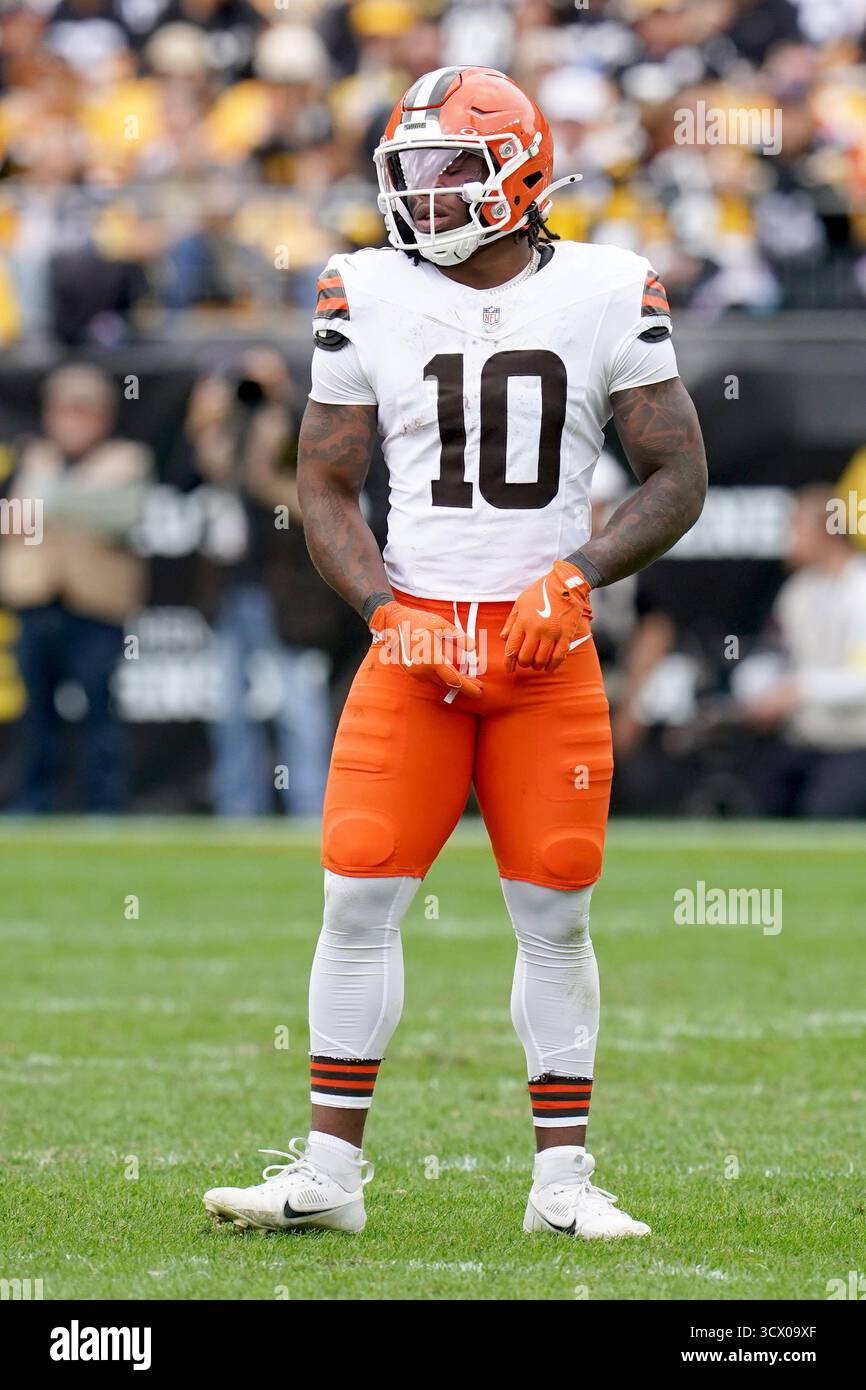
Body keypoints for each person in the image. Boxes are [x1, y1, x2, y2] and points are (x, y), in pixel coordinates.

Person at [203, 65, 707, 1239]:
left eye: (450, 172)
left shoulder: (604, 284)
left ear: (521, 174)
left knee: (556, 909)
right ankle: (328, 1178)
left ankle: (561, 1185)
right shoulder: (362, 287)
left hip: (546, 651)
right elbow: (322, 485)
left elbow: (676, 474)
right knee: (358, 888)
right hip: (414, 640)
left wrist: (575, 573)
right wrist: (386, 611)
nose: (423, 199)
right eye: (409, 175)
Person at [0, 363, 152, 811]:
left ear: (103, 417)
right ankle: (32, 803)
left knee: (100, 713)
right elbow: (11, 522)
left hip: (96, 607)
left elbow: (121, 518)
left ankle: (105, 806)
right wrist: (75, 502)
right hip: (37, 603)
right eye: (65, 411)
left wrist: (53, 499)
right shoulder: (31, 457)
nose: (72, 421)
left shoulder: (126, 458)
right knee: (36, 717)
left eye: (83, 412)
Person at [737, 484, 866, 817]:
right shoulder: (798, 592)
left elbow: (862, 679)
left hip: (856, 746)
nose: (787, 538)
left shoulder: (861, 590)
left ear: (827, 532)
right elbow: (777, 658)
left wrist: (797, 691)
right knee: (753, 802)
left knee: (824, 811)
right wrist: (757, 691)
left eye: (795, 526)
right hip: (804, 742)